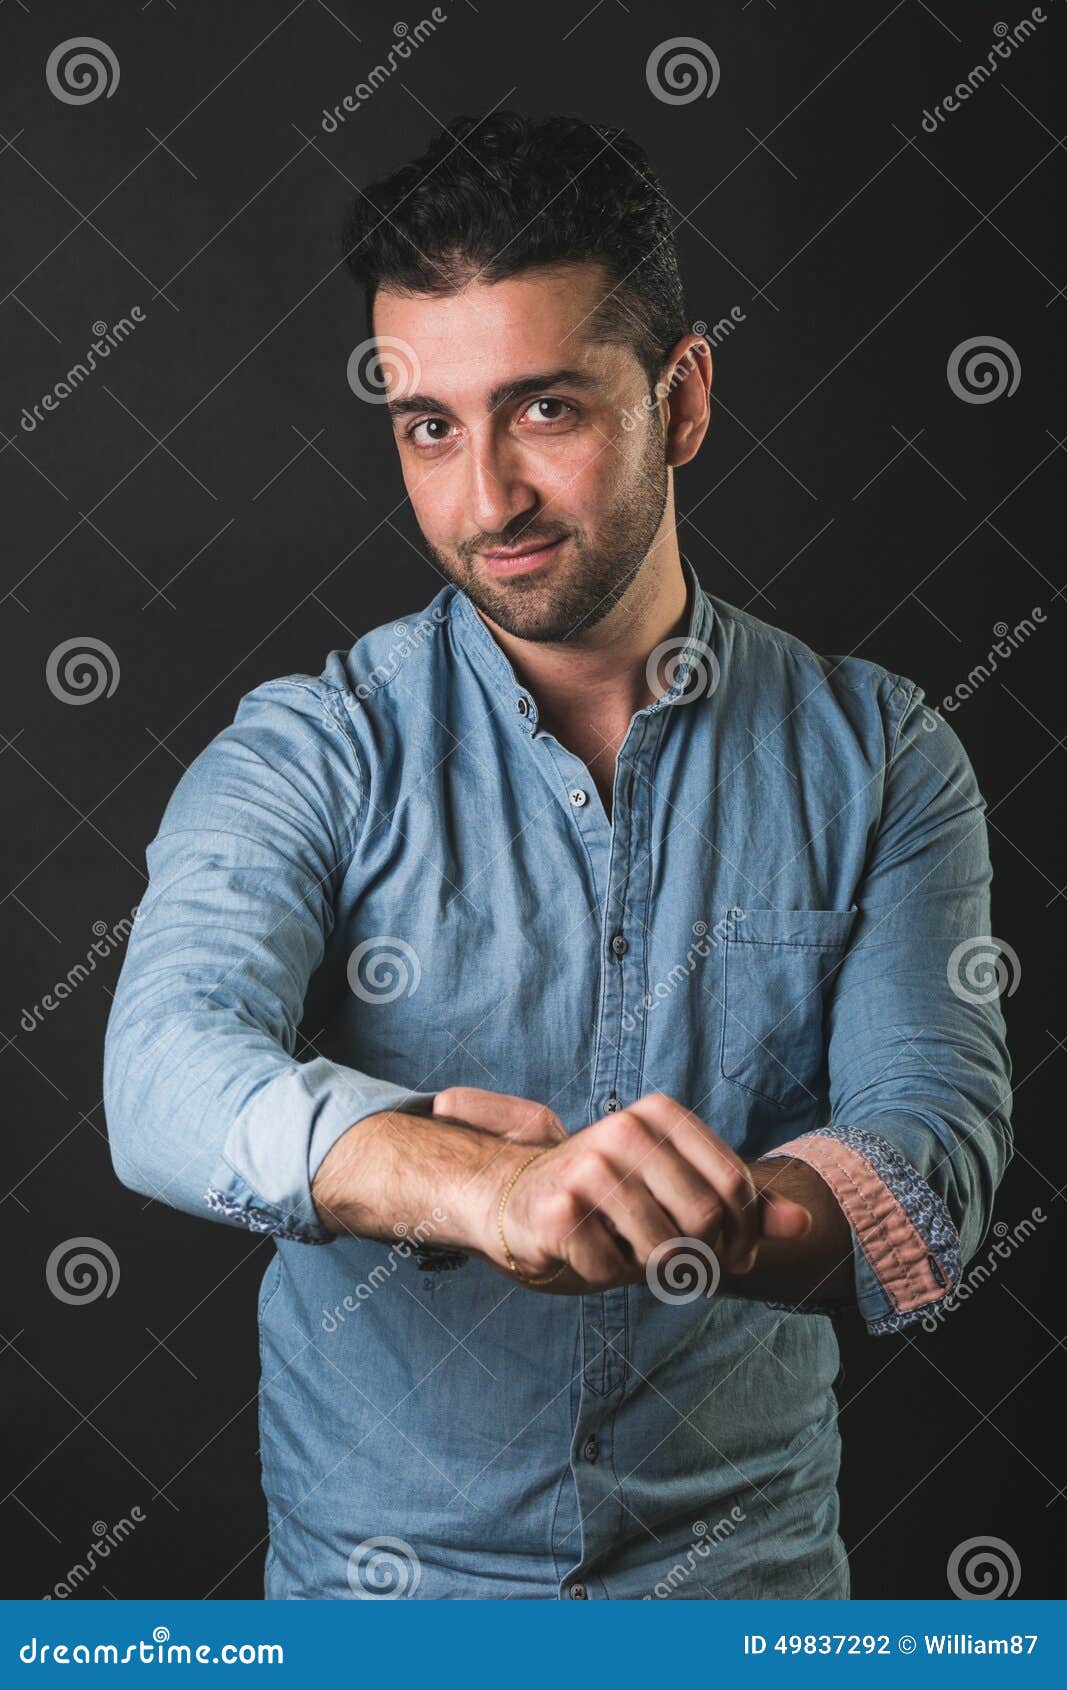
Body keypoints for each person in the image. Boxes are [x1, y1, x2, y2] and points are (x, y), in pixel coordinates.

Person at [103, 110, 1013, 1601]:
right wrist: (484, 1191)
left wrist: (695, 1222)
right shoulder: (311, 748)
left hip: (743, 1601)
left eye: (543, 410)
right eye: (430, 427)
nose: (487, 499)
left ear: (683, 397)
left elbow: (932, 1169)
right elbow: (161, 1074)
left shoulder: (886, 757)